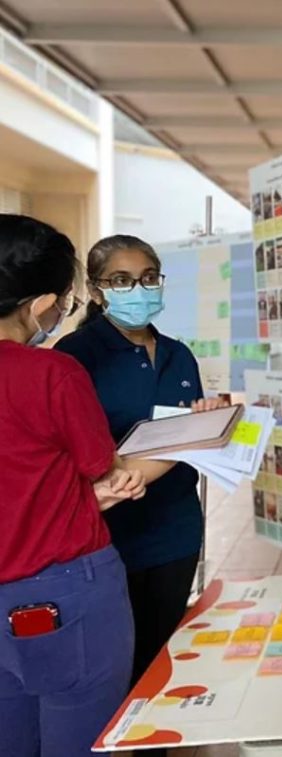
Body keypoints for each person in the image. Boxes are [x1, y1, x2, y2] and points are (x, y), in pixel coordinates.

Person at [54, 235, 225, 749]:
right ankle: (118, 740)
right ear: (97, 289)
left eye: (149, 277)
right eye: (123, 280)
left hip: (174, 525)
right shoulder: (75, 357)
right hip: (109, 532)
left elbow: (190, 433)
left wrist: (207, 420)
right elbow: (67, 450)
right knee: (113, 658)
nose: (139, 289)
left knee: (164, 646)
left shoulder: (178, 354)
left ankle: (159, 739)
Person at [0, 214, 146, 756]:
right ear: (39, 305)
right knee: (79, 738)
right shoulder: (50, 374)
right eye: (64, 301)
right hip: (61, 590)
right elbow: (96, 461)